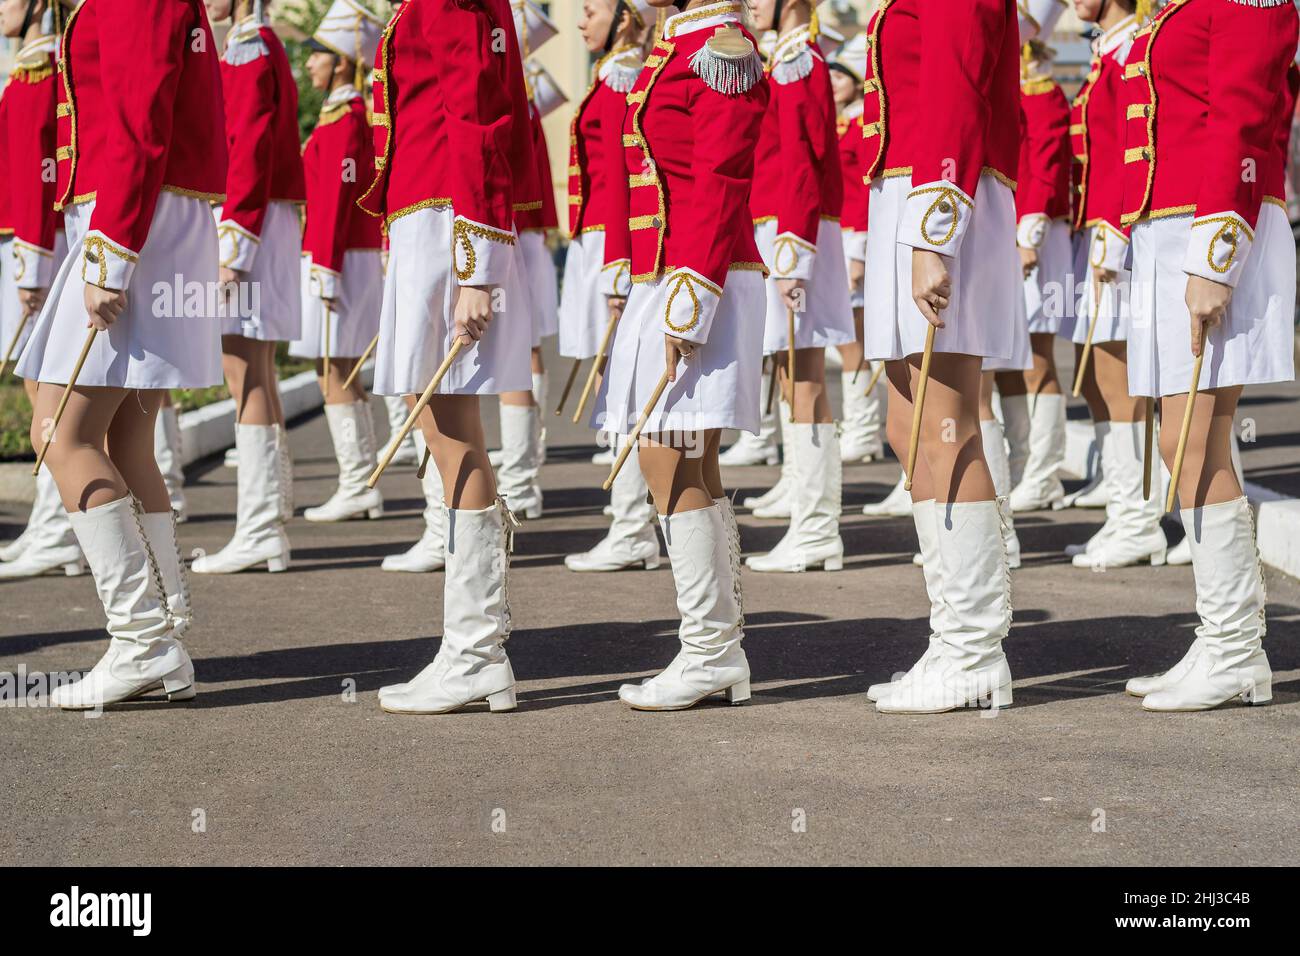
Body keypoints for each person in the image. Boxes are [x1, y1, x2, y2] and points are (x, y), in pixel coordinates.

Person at [16, 0, 226, 708]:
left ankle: (143, 640)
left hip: (134, 217)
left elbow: (140, 120)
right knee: (128, 437)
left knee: (60, 433)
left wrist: (110, 253)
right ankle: (165, 637)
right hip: (147, 216)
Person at [1121, 0, 1297, 711]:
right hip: (1172, 231)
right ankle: (1226, 638)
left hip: (1214, 225)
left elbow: (1246, 113)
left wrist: (1214, 259)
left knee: (1189, 438)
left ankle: (1233, 649)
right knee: (1188, 439)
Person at [592, 0, 768, 709]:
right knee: (683, 456)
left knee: (669, 453)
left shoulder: (723, 46)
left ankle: (710, 650)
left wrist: (692, 295)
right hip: (664, 273)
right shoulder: (680, 45)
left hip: (702, 271)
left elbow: (723, 176)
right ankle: (717, 648)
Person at [362, 0, 536, 715]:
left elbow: (480, 117)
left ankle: (475, 653)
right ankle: (472, 648)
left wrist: (474, 264)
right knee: (442, 432)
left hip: (444, 225)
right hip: (428, 222)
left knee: (451, 434)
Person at [860, 0, 1020, 714]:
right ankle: (953, 637)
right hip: (914, 193)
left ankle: (976, 650)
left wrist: (935, 235)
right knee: (910, 425)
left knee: (946, 423)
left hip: (941, 194)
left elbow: (957, 84)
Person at [194, 0, 306, 575]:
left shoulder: (247, 48)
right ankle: (270, 522)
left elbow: (248, 149)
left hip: (248, 223)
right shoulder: (254, 43)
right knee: (255, 372)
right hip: (260, 221)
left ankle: (260, 528)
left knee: (244, 371)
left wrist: (233, 248)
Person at [744, 0, 854, 574]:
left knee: (804, 376)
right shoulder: (783, 59)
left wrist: (794, 254)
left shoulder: (800, 63)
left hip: (796, 230)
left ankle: (816, 529)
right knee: (792, 376)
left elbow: (804, 162)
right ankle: (803, 503)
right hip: (780, 228)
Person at [1062, 0, 1166, 569]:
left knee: (1114, 366)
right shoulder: (1107, 50)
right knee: (1098, 372)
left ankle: (1139, 519)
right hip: (1098, 227)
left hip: (1118, 228)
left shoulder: (1132, 47)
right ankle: (1126, 510)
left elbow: (1137, 151)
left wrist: (1118, 229)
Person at [561, 0, 661, 573]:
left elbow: (628, 177)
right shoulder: (611, 76)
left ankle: (633, 526)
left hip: (614, 239)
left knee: (621, 380)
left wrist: (621, 266)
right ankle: (630, 520)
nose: (581, 21)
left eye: (591, 10)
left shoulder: (624, 79)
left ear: (624, 17)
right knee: (612, 380)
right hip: (598, 239)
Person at [288, 0, 386, 525]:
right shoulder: (339, 116)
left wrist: (324, 265)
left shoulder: (348, 120)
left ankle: (357, 483)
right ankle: (361, 479)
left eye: (318, 56)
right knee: (341, 368)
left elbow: (335, 202)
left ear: (342, 62)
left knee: (335, 369)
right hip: (339, 255)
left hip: (341, 257)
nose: (309, 64)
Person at [0, 0, 80, 580]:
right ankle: (53, 528)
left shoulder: (39, 74)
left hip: (33, 247)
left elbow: (39, 172)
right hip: (23, 243)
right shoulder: (26, 68)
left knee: (43, 392)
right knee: (41, 389)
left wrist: (32, 266)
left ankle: (58, 529)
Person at [997, 5, 1072, 515]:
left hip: (1035, 238)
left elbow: (1045, 169)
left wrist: (1029, 236)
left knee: (1036, 358)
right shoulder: (1003, 88)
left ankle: (1044, 472)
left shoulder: (1042, 91)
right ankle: (1023, 463)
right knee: (1005, 361)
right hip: (1004, 234)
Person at [829, 31, 883, 466]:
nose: (832, 81)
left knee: (853, 340)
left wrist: (860, 251)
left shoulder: (863, 120)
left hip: (856, 238)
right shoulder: (841, 121)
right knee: (848, 337)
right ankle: (860, 426)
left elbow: (865, 189)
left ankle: (864, 428)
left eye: (840, 75)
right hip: (841, 236)